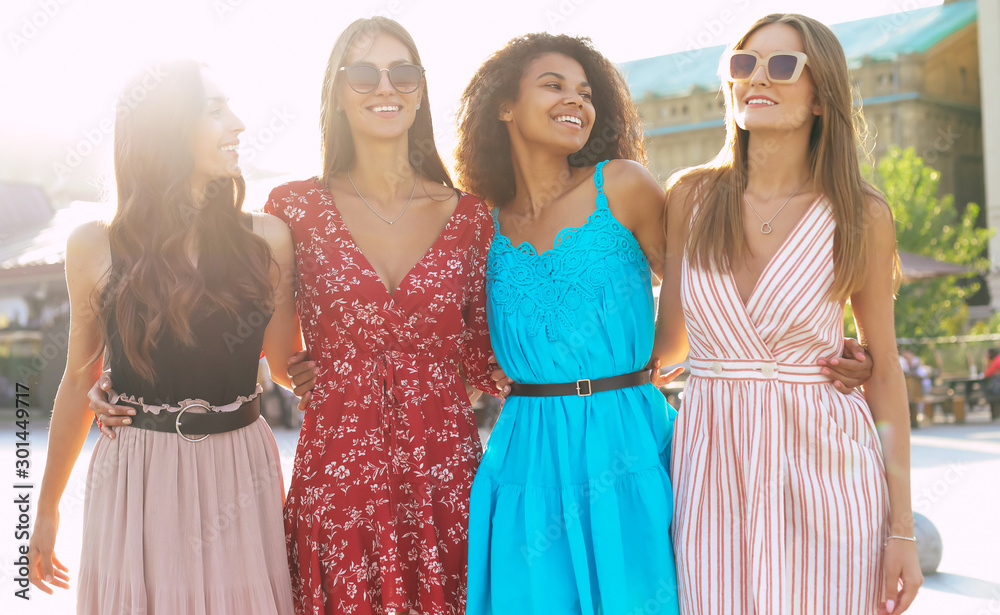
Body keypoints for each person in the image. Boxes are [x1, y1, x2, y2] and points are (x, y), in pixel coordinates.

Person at [656, 13, 923, 614]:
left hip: (826, 467)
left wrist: (901, 529)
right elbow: (666, 350)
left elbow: (883, 372)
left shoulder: (860, 213)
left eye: (782, 66)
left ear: (823, 95)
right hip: (711, 469)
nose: (757, 78)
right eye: (743, 63)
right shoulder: (689, 198)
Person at [27, 60, 299, 614]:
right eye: (216, 110)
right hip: (137, 472)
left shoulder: (267, 240)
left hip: (240, 467)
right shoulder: (93, 246)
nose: (240, 124)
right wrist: (47, 508)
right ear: (168, 128)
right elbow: (78, 376)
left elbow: (290, 368)